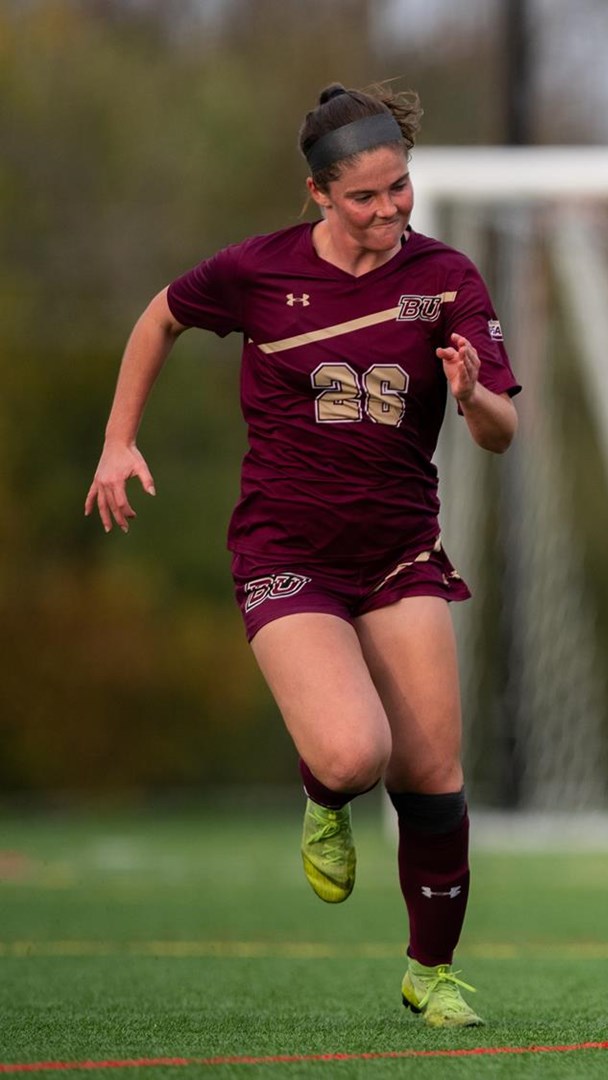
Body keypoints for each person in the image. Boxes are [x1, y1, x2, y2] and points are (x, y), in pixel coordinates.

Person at [83, 83, 519, 1028]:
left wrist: (476, 395)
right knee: (356, 755)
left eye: (400, 188)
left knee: (432, 772)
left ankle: (430, 973)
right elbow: (159, 316)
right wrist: (120, 441)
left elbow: (500, 434)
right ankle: (325, 799)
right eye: (365, 197)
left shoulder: (447, 279)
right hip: (288, 552)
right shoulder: (258, 272)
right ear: (318, 194)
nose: (389, 210)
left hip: (401, 551)